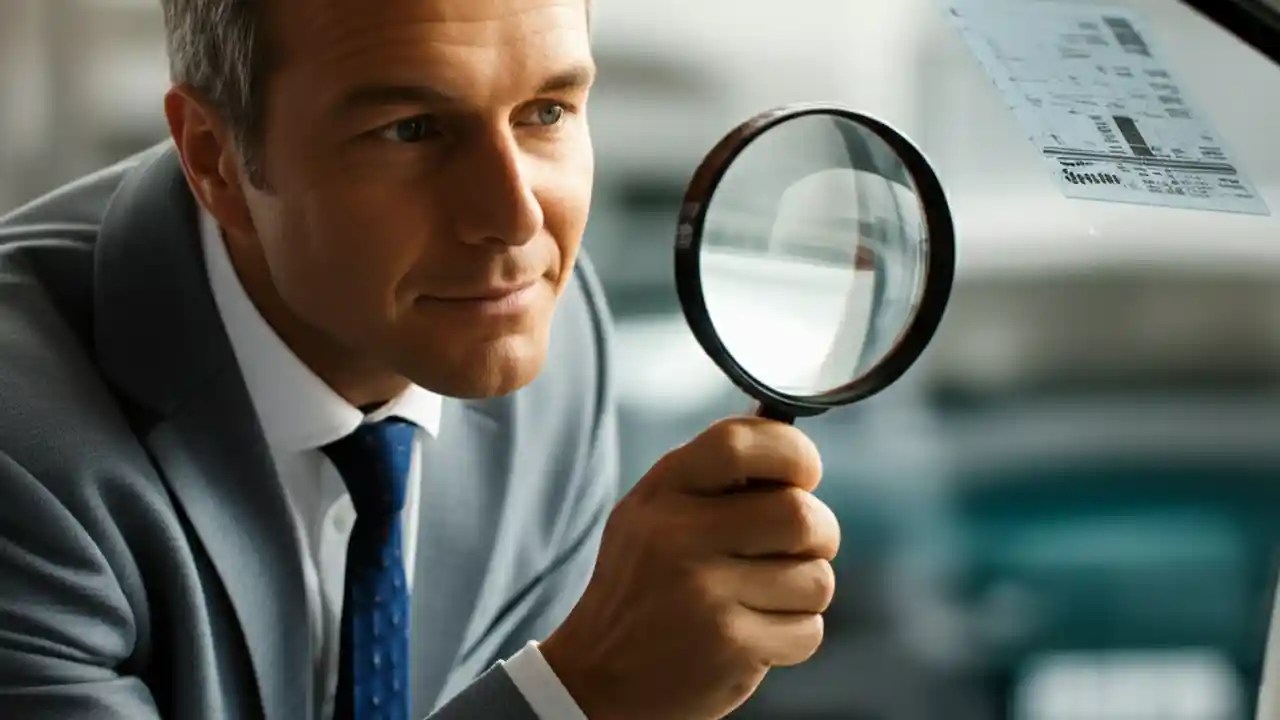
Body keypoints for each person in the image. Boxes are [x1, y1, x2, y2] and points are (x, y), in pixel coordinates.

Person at [0, 0, 841, 718]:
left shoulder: (549, 330)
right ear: (217, 162)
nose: (516, 221)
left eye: (546, 112)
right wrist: (582, 695)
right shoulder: (22, 456)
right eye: (411, 130)